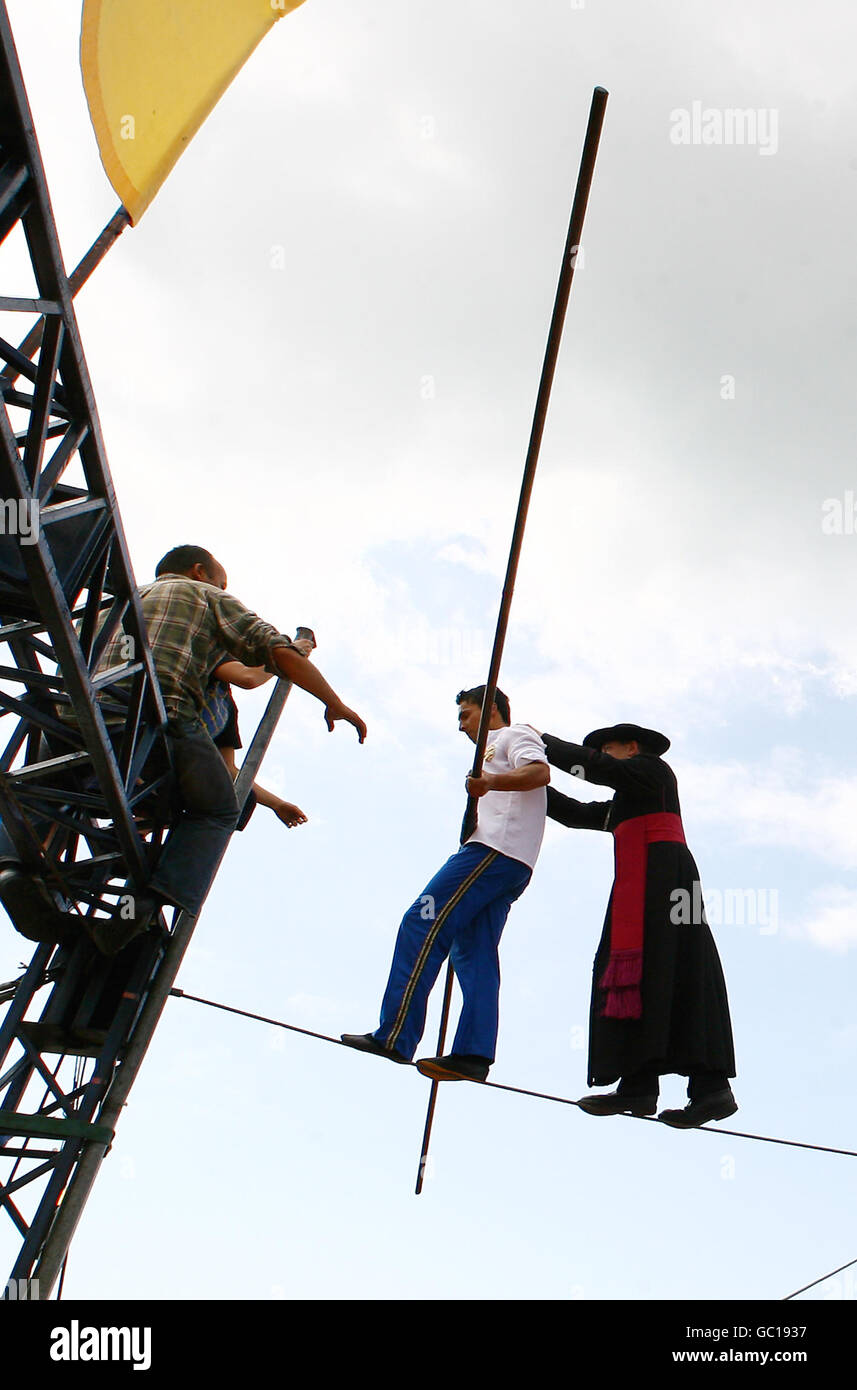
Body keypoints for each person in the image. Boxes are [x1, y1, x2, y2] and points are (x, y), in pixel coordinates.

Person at [0, 545, 366, 952]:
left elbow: (229, 757)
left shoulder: (116, 602)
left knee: (41, 790)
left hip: (72, 719)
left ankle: (12, 868)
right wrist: (329, 695)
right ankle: (143, 904)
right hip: (153, 722)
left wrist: (275, 802)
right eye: (221, 581)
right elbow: (261, 666)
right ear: (200, 572)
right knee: (222, 809)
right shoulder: (208, 599)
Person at [341, 685, 549, 1082]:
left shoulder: (512, 735)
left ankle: (395, 1035)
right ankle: (474, 1053)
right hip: (512, 861)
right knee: (473, 952)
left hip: (493, 851)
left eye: (465, 715)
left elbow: (540, 773)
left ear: (491, 710)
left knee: (420, 922)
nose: (460, 726)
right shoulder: (495, 749)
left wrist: (489, 782)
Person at [541, 721, 737, 1128]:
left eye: (607, 749)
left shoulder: (651, 772)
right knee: (637, 974)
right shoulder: (629, 796)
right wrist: (521, 785)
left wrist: (540, 743)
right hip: (640, 883)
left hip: (666, 881)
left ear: (631, 748)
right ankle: (638, 1085)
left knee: (681, 967)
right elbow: (576, 813)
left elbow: (594, 767)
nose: (603, 756)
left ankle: (710, 1088)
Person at [200, 659, 308, 831]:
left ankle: (146, 828)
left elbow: (228, 768)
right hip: (164, 744)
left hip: (179, 762)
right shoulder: (206, 659)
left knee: (242, 799)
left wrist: (277, 804)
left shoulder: (224, 706)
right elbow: (248, 678)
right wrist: (284, 659)